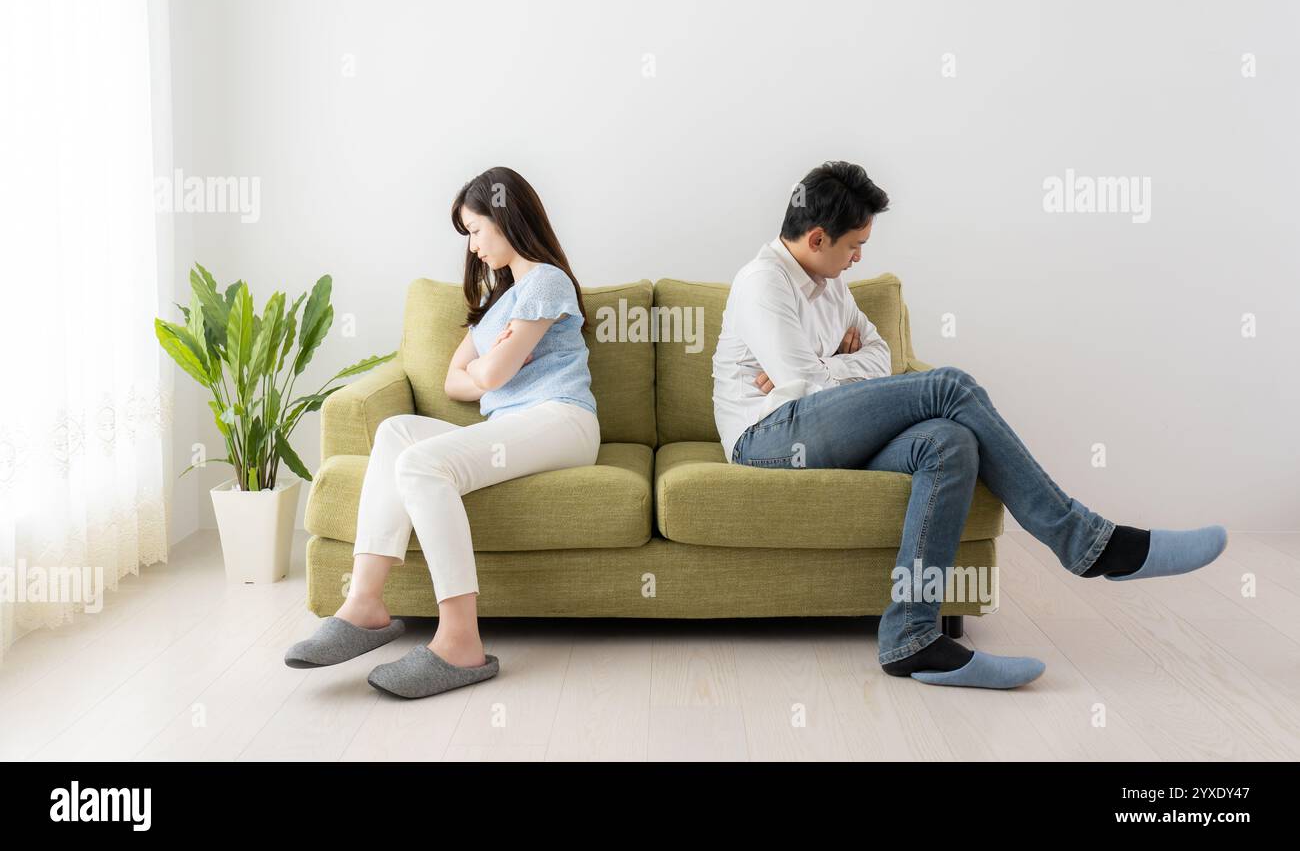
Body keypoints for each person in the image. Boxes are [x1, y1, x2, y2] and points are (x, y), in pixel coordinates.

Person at [712, 160, 1227, 690]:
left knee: (950, 442)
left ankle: (910, 637)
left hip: (817, 425)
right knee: (949, 385)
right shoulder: (762, 282)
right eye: (853, 245)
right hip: (769, 435)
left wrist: (826, 369)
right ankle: (1085, 542)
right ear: (817, 237)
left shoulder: (832, 285)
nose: (860, 256)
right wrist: (823, 371)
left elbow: (881, 358)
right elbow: (801, 385)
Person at [285, 166, 600, 699]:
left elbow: (490, 375)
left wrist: (490, 367)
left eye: (476, 230)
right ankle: (364, 603)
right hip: (516, 423)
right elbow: (453, 381)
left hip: (561, 420)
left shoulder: (546, 279)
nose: (473, 246)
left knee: (422, 463)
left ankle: (459, 642)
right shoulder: (504, 302)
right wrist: (491, 362)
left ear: (507, 218)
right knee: (395, 433)